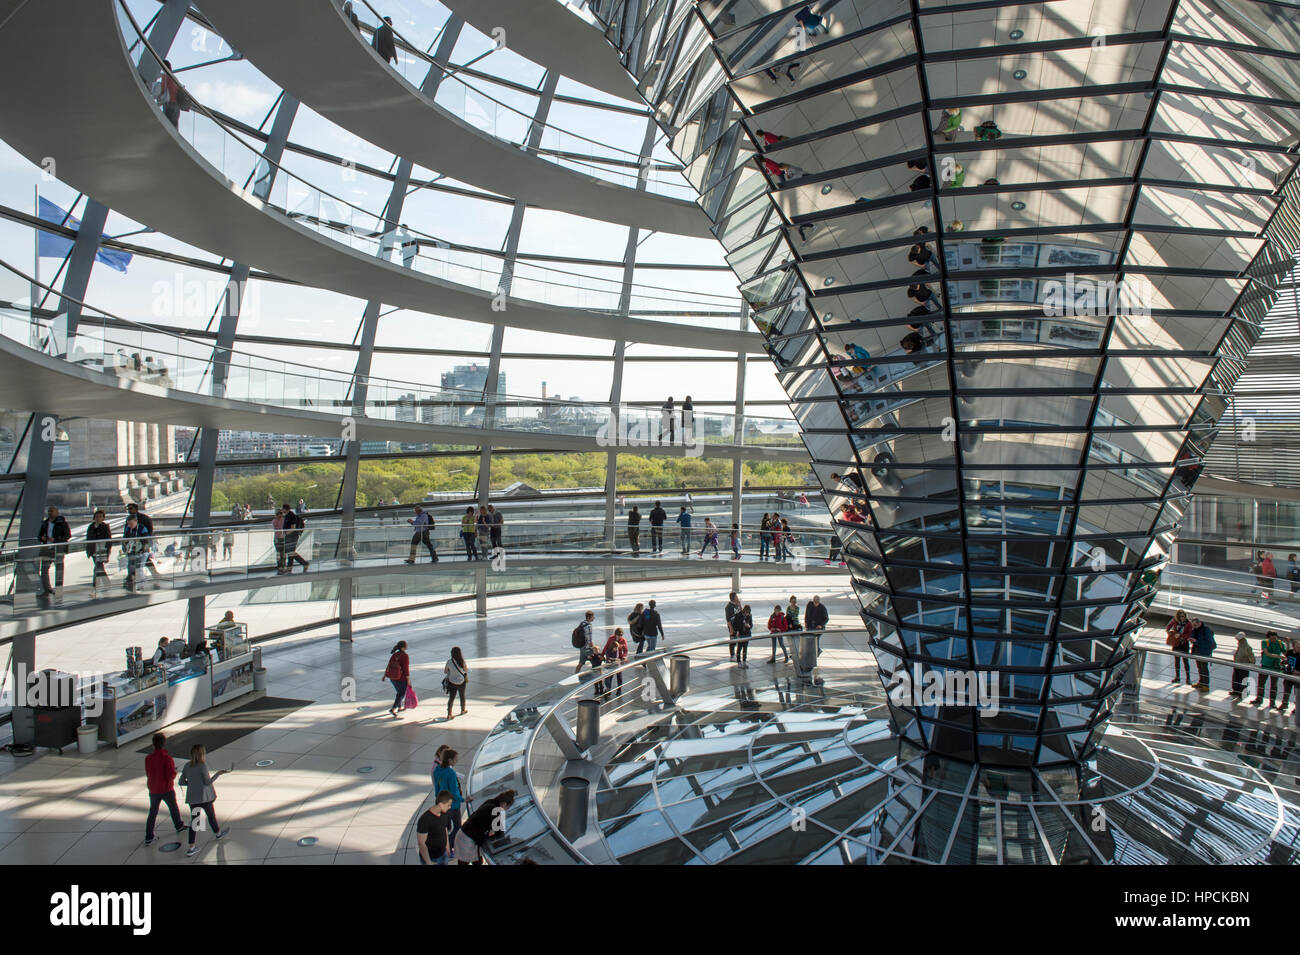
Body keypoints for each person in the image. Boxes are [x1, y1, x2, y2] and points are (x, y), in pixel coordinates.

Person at [179, 744, 229, 855]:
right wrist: (218, 774)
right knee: (211, 816)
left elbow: (181, 782)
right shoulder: (202, 766)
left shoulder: (187, 766)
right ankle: (218, 833)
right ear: (202, 754)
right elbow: (207, 782)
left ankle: (191, 847)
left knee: (195, 822)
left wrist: (192, 784)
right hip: (204, 798)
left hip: (192, 799)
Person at [144, 732, 186, 846]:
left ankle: (149, 836)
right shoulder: (167, 758)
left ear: (153, 744)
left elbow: (148, 773)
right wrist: (174, 771)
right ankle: (179, 826)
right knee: (173, 808)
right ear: (164, 743)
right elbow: (170, 776)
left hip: (153, 789)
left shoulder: (148, 758)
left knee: (153, 812)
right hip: (166, 789)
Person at [454, 790, 516, 865]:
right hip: (468, 840)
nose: (506, 810)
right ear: (505, 804)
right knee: (468, 862)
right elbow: (499, 833)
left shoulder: (490, 802)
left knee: (477, 861)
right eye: (508, 807)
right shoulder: (495, 810)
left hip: (464, 835)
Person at [433, 749, 465, 850]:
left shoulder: (437, 770)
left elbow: (437, 788)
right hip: (453, 805)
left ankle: (443, 845)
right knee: (457, 827)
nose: (456, 761)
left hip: (442, 803)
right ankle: (448, 846)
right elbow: (454, 791)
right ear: (450, 760)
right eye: (455, 759)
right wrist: (463, 800)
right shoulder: (450, 772)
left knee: (446, 827)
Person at [37, 505, 71, 600]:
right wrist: (42, 538)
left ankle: (59, 590)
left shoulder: (62, 523)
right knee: (44, 570)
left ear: (57, 512)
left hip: (58, 549)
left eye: (51, 511)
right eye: (48, 511)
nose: (49, 513)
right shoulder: (45, 523)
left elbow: (67, 535)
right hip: (46, 549)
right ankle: (47, 590)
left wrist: (55, 540)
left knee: (59, 570)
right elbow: (39, 536)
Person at [416, 791, 454, 865]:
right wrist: (428, 862)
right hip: (431, 858)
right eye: (448, 805)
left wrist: (447, 846)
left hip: (443, 855)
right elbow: (421, 843)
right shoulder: (425, 820)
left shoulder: (445, 814)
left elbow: (444, 828)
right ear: (440, 804)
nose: (450, 807)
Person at [1255, 630, 1286, 707]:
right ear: (1268, 638)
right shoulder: (1265, 642)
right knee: (1261, 683)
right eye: (1272, 638)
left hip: (1276, 667)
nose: (1274, 640)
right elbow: (1267, 653)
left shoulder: (1280, 643)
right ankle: (1259, 699)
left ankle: (1272, 702)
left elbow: (1286, 653)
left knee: (1274, 685)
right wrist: (1279, 656)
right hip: (1265, 665)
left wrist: (1288, 644)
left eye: (1275, 638)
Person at [85, 509, 113, 594]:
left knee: (98, 566)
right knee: (99, 566)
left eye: (100, 517)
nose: (98, 518)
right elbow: (88, 539)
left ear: (103, 518)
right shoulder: (91, 527)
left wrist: (107, 551)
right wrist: (88, 550)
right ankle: (106, 582)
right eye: (97, 516)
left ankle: (96, 584)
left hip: (101, 549)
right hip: (94, 550)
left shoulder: (104, 527)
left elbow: (108, 540)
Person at [121, 515, 150, 592]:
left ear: (136, 522)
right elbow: (125, 539)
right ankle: (131, 584)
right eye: (128, 524)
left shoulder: (142, 528)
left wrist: (141, 547)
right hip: (132, 551)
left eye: (131, 524)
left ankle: (142, 585)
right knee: (130, 567)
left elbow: (146, 541)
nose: (130, 526)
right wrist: (125, 546)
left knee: (139, 568)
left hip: (142, 552)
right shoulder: (128, 528)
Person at [279, 503, 310, 572]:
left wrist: (285, 534)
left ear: (285, 509)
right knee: (290, 552)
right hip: (290, 536)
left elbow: (293, 527)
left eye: (282, 508)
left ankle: (304, 563)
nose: (282, 510)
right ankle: (290, 568)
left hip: (292, 536)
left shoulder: (291, 515)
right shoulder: (287, 515)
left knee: (291, 552)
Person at [1165, 609, 1193, 684]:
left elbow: (1189, 634)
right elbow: (1168, 626)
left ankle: (1188, 678)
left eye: (1183, 616)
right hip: (1176, 643)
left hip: (1184, 644)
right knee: (1177, 661)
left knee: (1185, 661)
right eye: (1180, 616)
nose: (1182, 618)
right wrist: (1170, 633)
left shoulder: (1188, 623)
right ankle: (1177, 677)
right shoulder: (1175, 621)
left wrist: (1180, 635)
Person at [384, 640, 410, 717]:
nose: (407, 646)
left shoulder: (394, 655)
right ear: (403, 647)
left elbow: (389, 665)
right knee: (401, 694)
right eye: (406, 645)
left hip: (392, 678)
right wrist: (408, 679)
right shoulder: (405, 656)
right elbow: (406, 669)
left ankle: (399, 707)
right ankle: (393, 709)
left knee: (399, 693)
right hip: (401, 678)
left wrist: (385, 675)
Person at [1188, 617, 1215, 690]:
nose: (1194, 627)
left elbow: (1209, 643)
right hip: (1197, 651)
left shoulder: (1206, 630)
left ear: (1199, 623)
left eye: (1195, 625)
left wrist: (1196, 641)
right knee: (1200, 667)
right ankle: (1201, 682)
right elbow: (1193, 635)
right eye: (1193, 625)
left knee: (1204, 668)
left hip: (1204, 652)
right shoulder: (1196, 630)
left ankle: (1206, 685)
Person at [601, 627, 629, 697]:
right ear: (615, 634)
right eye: (618, 635)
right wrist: (602, 655)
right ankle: (608, 690)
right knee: (609, 676)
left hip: (618, 660)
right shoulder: (611, 638)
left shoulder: (623, 640)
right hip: (610, 659)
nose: (619, 636)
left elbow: (625, 650)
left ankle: (619, 690)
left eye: (621, 635)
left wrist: (624, 656)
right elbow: (606, 647)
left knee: (619, 676)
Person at [444, 646, 468, 720]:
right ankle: (463, 710)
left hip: (452, 682)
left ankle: (449, 714)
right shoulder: (462, 661)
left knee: (451, 698)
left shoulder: (449, 661)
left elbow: (445, 671)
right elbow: (466, 670)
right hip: (461, 682)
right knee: (462, 696)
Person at [1230, 632, 1255, 699]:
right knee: (1236, 678)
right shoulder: (1240, 646)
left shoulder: (1247, 647)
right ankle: (1236, 690)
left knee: (1243, 679)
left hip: (1244, 666)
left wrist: (1251, 664)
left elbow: (1251, 657)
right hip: (1237, 665)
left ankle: (1242, 692)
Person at [573, 610, 596, 675]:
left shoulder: (582, 623)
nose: (594, 618)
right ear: (589, 617)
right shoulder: (588, 626)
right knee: (595, 662)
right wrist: (593, 648)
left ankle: (575, 675)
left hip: (582, 646)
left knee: (581, 663)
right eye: (593, 617)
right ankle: (596, 678)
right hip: (587, 648)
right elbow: (589, 640)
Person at [724, 591, 743, 661]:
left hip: (738, 624)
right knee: (733, 639)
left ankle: (737, 654)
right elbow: (728, 618)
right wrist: (731, 628)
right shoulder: (728, 607)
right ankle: (732, 655)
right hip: (733, 625)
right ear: (734, 598)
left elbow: (742, 612)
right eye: (736, 596)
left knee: (739, 639)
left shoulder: (737, 604)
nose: (737, 598)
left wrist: (740, 604)